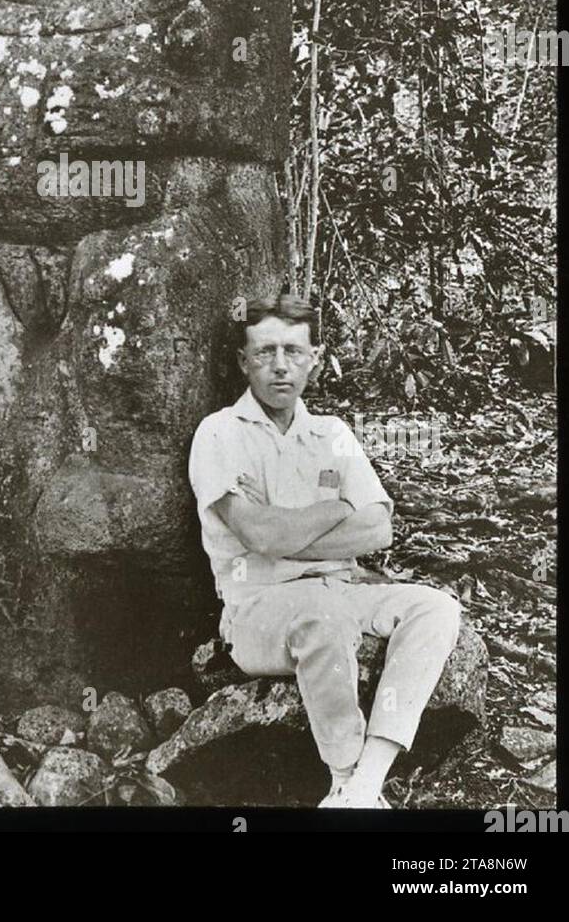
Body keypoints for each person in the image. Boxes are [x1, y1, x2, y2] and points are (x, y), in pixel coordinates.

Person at [188, 294, 461, 808]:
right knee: (322, 615)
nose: (280, 365)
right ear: (244, 362)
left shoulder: (332, 434)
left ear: (315, 356)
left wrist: (289, 531)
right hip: (258, 607)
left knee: (436, 607)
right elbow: (260, 538)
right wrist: (335, 510)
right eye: (265, 351)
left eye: (293, 350)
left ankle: (367, 782)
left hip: (347, 587)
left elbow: (379, 527)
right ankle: (342, 776)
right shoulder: (219, 432)